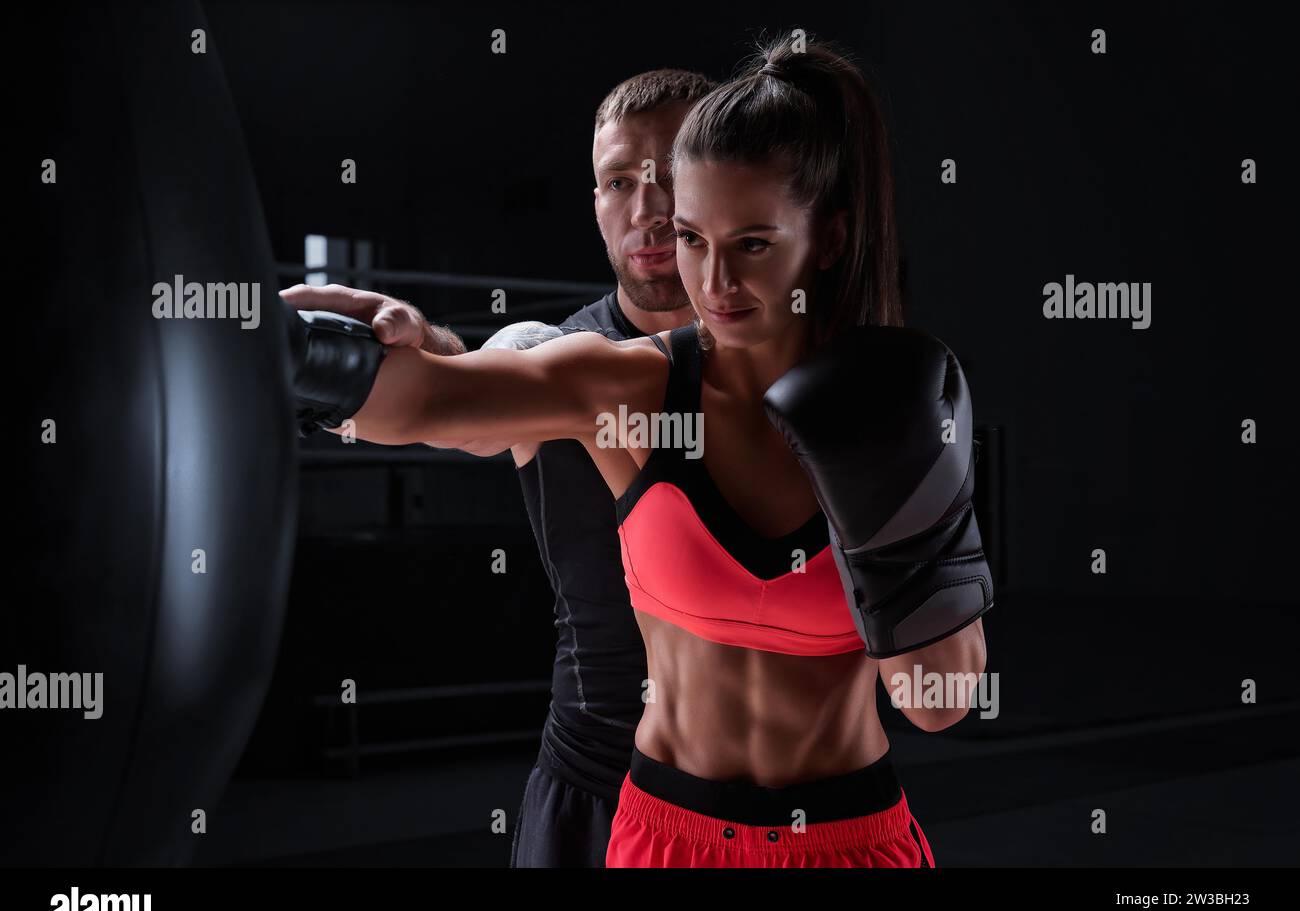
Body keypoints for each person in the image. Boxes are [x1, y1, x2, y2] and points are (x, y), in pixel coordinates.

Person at [285, 35, 992, 867]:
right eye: (694, 240)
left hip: (847, 840)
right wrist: (283, 349)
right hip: (664, 833)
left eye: (753, 244)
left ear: (828, 240)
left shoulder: (894, 406)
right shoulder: (622, 385)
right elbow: (430, 401)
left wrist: (894, 504)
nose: (715, 283)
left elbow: (938, 702)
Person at [288, 69, 716, 867]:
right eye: (620, 180)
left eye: (673, 173)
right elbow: (448, 390)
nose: (648, 205)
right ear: (596, 204)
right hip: (595, 781)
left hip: (756, 792)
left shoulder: (783, 364)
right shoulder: (552, 358)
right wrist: (303, 353)